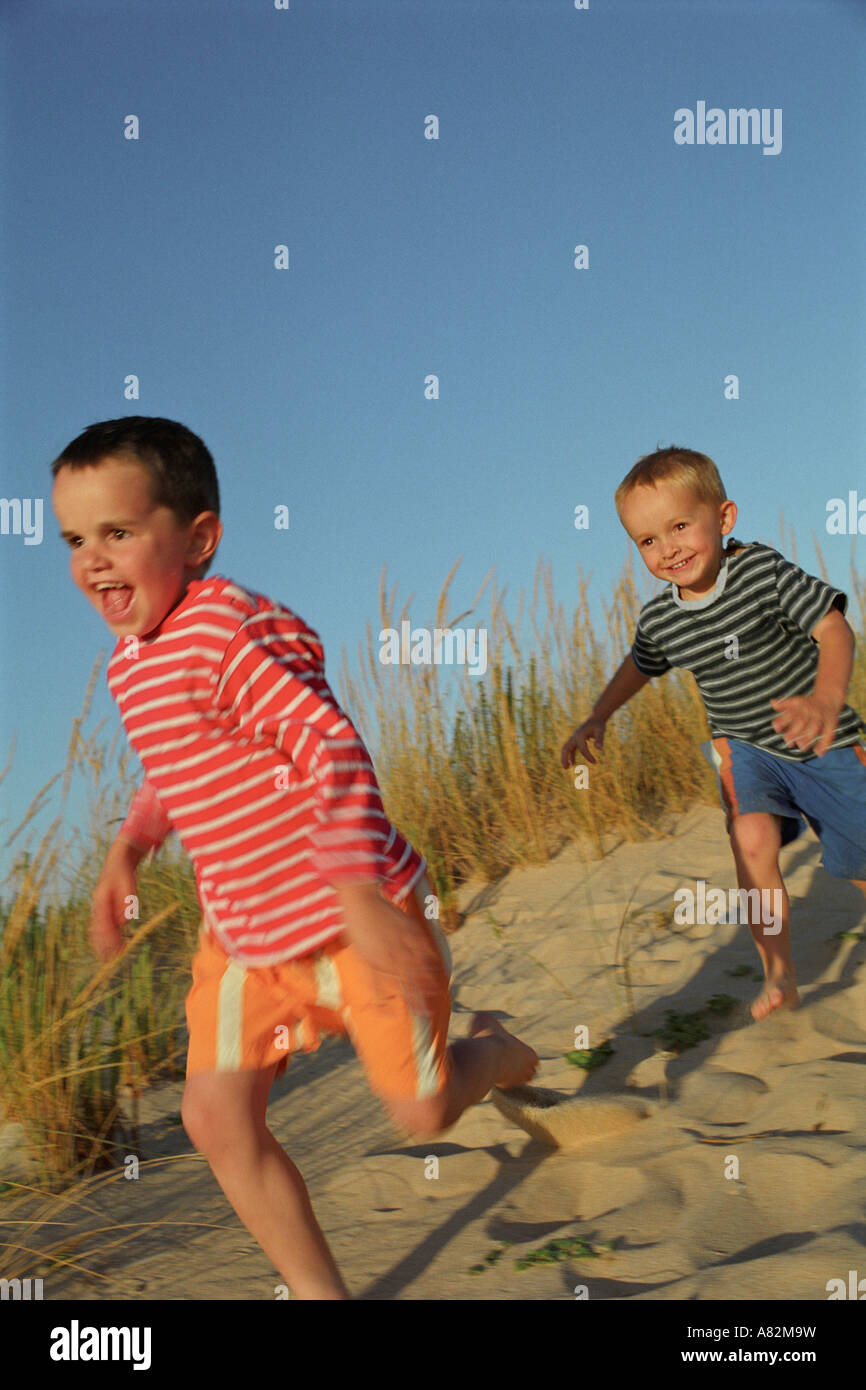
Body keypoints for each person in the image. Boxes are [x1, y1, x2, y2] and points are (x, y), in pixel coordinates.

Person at [51, 415, 538, 1300]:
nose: (92, 559)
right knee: (213, 1119)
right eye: (75, 539)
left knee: (422, 1110)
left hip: (362, 911)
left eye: (117, 533)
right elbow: (177, 767)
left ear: (198, 538)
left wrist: (354, 887)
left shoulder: (233, 628)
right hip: (244, 932)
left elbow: (332, 747)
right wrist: (128, 848)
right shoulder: (129, 661)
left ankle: (495, 1053)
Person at [561, 446, 866, 1022]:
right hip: (745, 749)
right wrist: (598, 715)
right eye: (648, 540)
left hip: (819, 738)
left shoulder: (761, 570)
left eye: (680, 526)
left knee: (861, 859)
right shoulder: (662, 619)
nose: (668, 547)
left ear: (723, 519)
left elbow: (833, 626)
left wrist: (826, 698)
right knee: (751, 844)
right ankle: (779, 972)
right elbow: (640, 664)